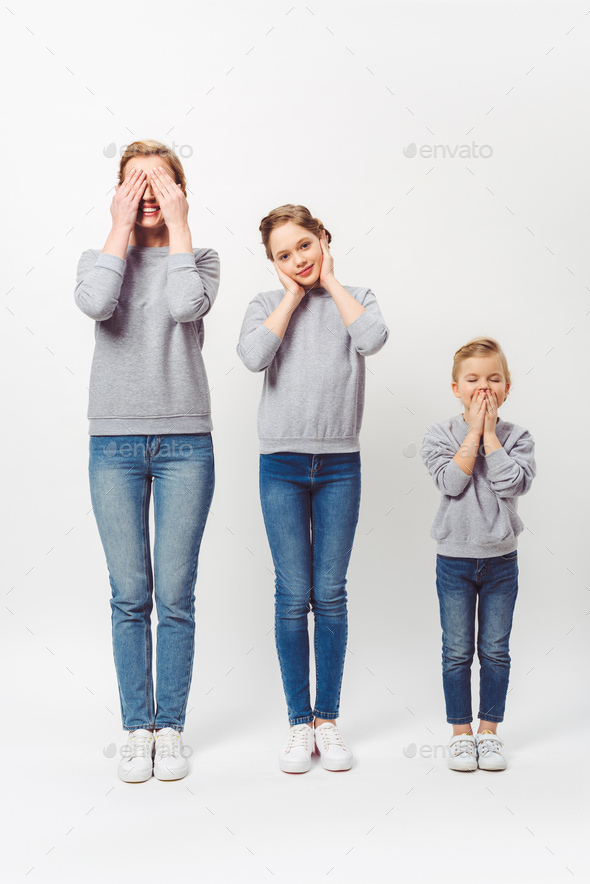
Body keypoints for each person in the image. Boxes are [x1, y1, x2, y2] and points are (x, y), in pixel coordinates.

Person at [74, 140, 220, 782]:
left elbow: (185, 305)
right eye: (136, 182)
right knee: (130, 593)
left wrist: (180, 227)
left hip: (186, 442)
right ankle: (137, 728)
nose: (149, 193)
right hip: (113, 445)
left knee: (176, 593)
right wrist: (118, 225)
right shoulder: (98, 258)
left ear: (181, 191)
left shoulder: (202, 259)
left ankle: (171, 728)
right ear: (118, 192)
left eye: (161, 181)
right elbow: (97, 305)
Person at [237, 204, 389, 773]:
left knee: (330, 593)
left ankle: (329, 719)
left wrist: (327, 281)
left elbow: (373, 339)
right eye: (284, 255)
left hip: (339, 465)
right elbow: (253, 356)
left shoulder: (359, 297)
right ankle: (299, 723)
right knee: (291, 593)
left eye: (305, 245)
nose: (297, 259)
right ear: (273, 264)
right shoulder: (265, 305)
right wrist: (294, 296)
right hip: (280, 463)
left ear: (324, 238)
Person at [420, 337, 536, 771]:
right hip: (454, 558)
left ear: (507, 387)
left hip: (502, 560)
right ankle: (460, 734)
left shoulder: (517, 437)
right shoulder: (439, 434)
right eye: (473, 379)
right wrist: (473, 433)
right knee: (456, 650)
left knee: (495, 649)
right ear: (456, 388)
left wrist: (490, 435)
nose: (483, 387)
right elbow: (451, 483)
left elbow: (511, 483)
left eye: (493, 379)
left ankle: (489, 733)